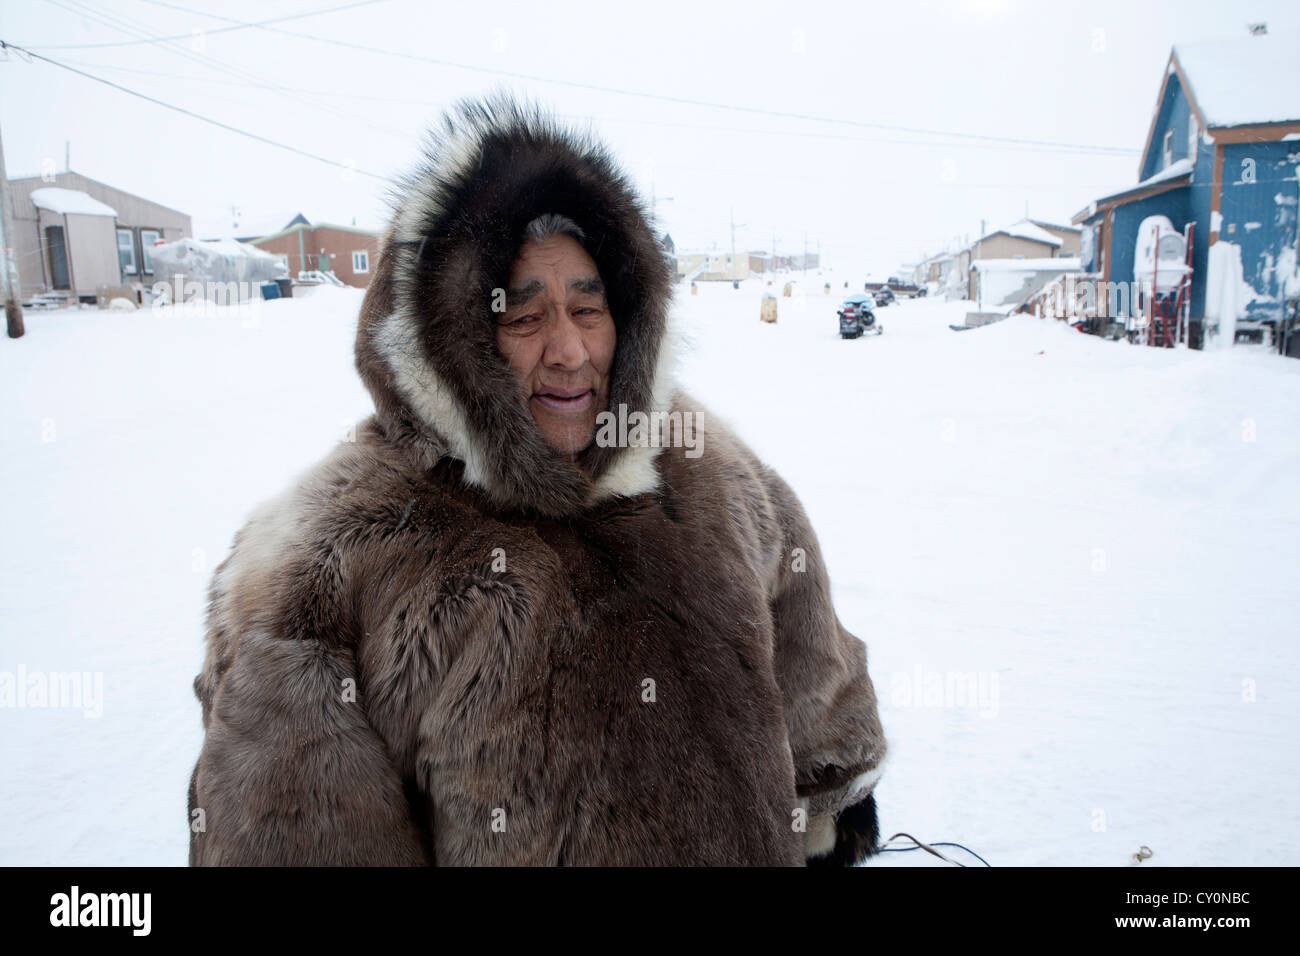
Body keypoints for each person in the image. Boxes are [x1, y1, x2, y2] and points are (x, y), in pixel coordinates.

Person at [188, 95, 887, 866]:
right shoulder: (321, 572)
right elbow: (286, 836)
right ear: (446, 347)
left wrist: (826, 823)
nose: (569, 351)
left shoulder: (712, 474)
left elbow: (815, 688)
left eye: (589, 309)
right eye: (523, 319)